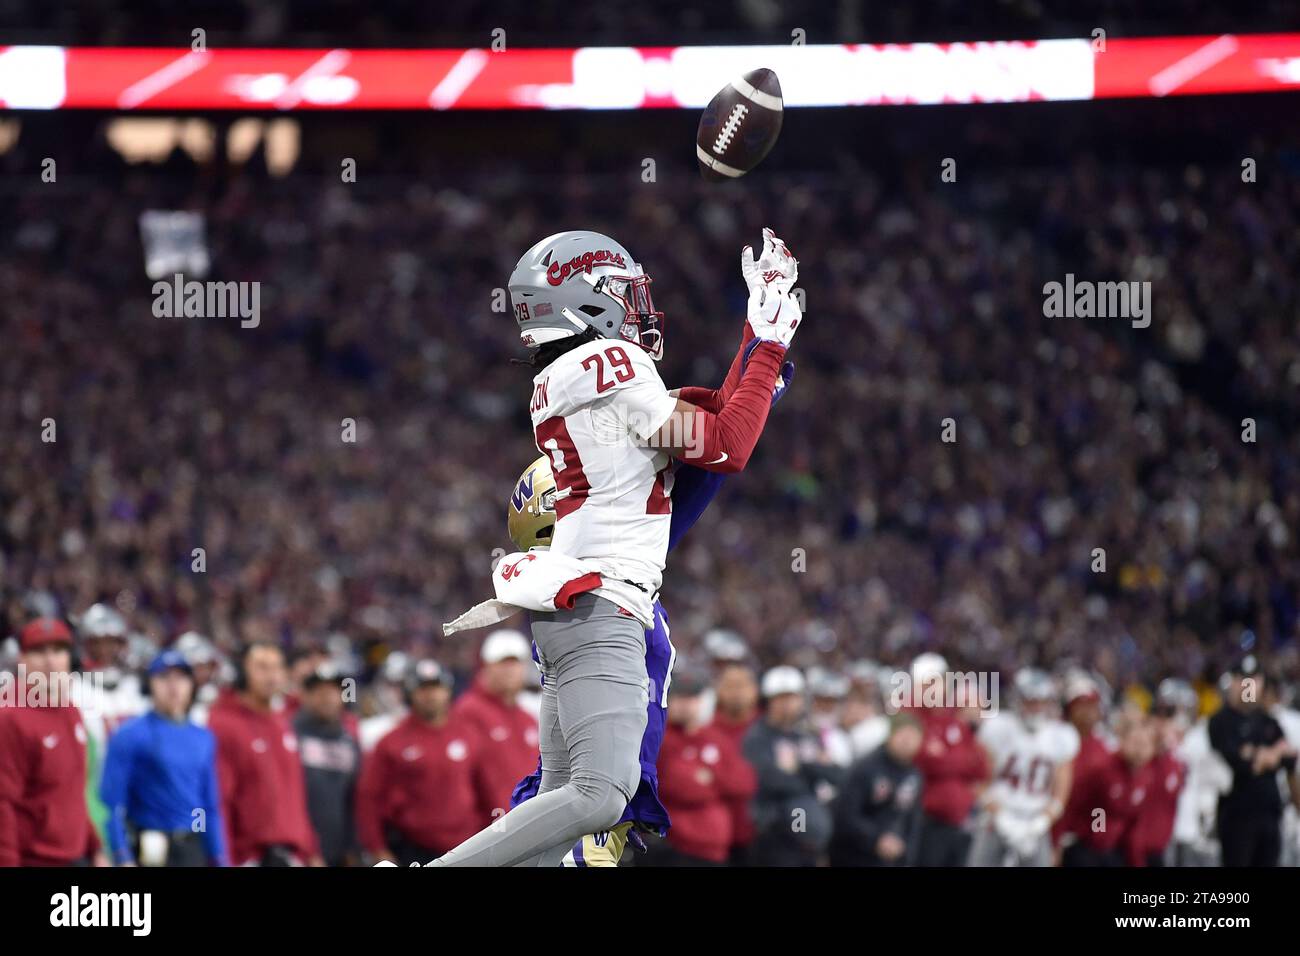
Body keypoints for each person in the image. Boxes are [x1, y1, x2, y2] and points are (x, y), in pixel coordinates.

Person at [430, 227, 803, 867]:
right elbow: (727, 446)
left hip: (578, 605)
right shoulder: (610, 367)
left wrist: (755, 339)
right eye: (623, 294)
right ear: (587, 299)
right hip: (602, 604)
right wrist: (765, 348)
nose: (637, 308)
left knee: (552, 816)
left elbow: (716, 418)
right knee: (601, 795)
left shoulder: (578, 379)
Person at [355, 660, 490, 867]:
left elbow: (486, 791)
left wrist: (492, 834)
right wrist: (377, 848)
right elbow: (369, 798)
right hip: (413, 848)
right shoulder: (391, 742)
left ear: (447, 690)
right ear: (410, 693)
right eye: (422, 688)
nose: (430, 695)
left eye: (436, 687)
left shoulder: (469, 735)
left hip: (467, 844)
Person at [98, 650, 227, 866]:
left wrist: (214, 852)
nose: (173, 686)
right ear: (150, 684)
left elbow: (204, 804)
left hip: (190, 847)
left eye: (181, 678)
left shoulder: (202, 738)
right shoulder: (130, 734)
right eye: (164, 677)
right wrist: (122, 855)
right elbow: (112, 803)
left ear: (191, 685)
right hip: (151, 846)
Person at [0, 618, 105, 866]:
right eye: (39, 652)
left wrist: (95, 846)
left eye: (58, 651)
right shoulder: (9, 716)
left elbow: (70, 792)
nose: (50, 662)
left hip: (75, 857)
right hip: (33, 860)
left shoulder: (71, 711)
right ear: (22, 661)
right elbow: (3, 803)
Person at [208, 642, 320, 866]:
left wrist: (311, 851)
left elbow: (296, 796)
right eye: (262, 667)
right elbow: (218, 800)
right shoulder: (223, 724)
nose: (272, 676)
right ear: (241, 672)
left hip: (291, 856)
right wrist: (223, 858)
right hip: (248, 857)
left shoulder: (283, 724)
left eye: (277, 668)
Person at [645, 668, 754, 866]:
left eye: (692, 697)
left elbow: (744, 783)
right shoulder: (660, 739)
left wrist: (710, 777)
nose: (686, 705)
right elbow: (680, 786)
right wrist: (715, 782)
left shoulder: (713, 737)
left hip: (717, 850)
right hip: (677, 848)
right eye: (680, 697)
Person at [969, 669, 1077, 867]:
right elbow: (978, 780)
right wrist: (1001, 817)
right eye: (1030, 701)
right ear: (1017, 700)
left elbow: (1062, 790)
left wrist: (1040, 824)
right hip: (996, 818)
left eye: (1041, 701)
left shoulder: (1061, 735)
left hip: (1036, 821)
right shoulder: (997, 727)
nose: (1036, 708)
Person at [745, 666, 842, 866]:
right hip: (774, 835)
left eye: (792, 697)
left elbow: (836, 774)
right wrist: (810, 772)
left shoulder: (807, 735)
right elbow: (770, 780)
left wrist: (801, 766)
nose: (787, 704)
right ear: (769, 701)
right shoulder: (757, 737)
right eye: (780, 698)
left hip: (808, 836)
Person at [1208, 658, 1297, 866]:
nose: (1249, 686)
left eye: (1255, 680)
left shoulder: (1268, 721)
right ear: (1233, 682)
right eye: (1244, 680)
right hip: (1237, 815)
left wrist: (1259, 755)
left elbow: (1288, 756)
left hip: (1270, 814)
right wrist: (1271, 755)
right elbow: (1241, 763)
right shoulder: (1221, 721)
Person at [449, 628, 539, 821]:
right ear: (486, 666)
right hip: (487, 828)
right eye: (502, 663)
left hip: (526, 824)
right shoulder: (468, 711)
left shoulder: (527, 718)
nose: (509, 670)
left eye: (515, 663)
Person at [909, 653, 987, 866]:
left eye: (937, 681)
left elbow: (980, 766)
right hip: (926, 819)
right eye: (927, 683)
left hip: (960, 820)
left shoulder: (953, 718)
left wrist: (945, 758)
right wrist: (958, 760)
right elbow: (922, 760)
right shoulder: (910, 716)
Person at [830, 713, 925, 866]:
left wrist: (906, 854)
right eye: (903, 735)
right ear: (890, 735)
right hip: (854, 853)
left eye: (913, 737)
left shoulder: (914, 776)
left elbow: (913, 822)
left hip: (890, 856)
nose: (907, 742)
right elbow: (845, 814)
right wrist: (876, 839)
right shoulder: (867, 767)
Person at [294, 662, 361, 867]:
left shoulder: (348, 741)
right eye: (319, 692)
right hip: (298, 852)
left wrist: (353, 848)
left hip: (338, 851)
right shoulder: (289, 735)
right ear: (306, 695)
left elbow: (354, 799)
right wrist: (307, 849)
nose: (327, 698)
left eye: (334, 691)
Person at [710, 660, 761, 864]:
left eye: (742, 685)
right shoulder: (705, 731)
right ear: (718, 690)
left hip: (761, 835)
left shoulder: (767, 730)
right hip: (716, 838)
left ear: (754, 691)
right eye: (730, 686)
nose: (737, 692)